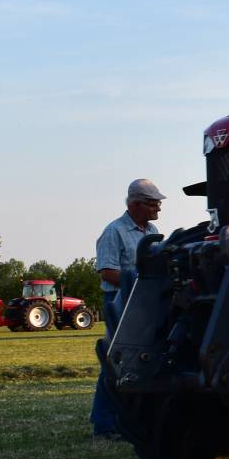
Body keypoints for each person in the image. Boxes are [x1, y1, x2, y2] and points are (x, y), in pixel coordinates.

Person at [90, 178, 165, 439]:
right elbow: (107, 272)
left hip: (143, 302)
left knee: (140, 363)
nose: (158, 208)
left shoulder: (152, 230)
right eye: (152, 203)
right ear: (134, 205)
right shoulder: (114, 231)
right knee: (116, 363)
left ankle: (129, 420)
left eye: (158, 203)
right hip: (119, 301)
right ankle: (104, 425)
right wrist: (138, 280)